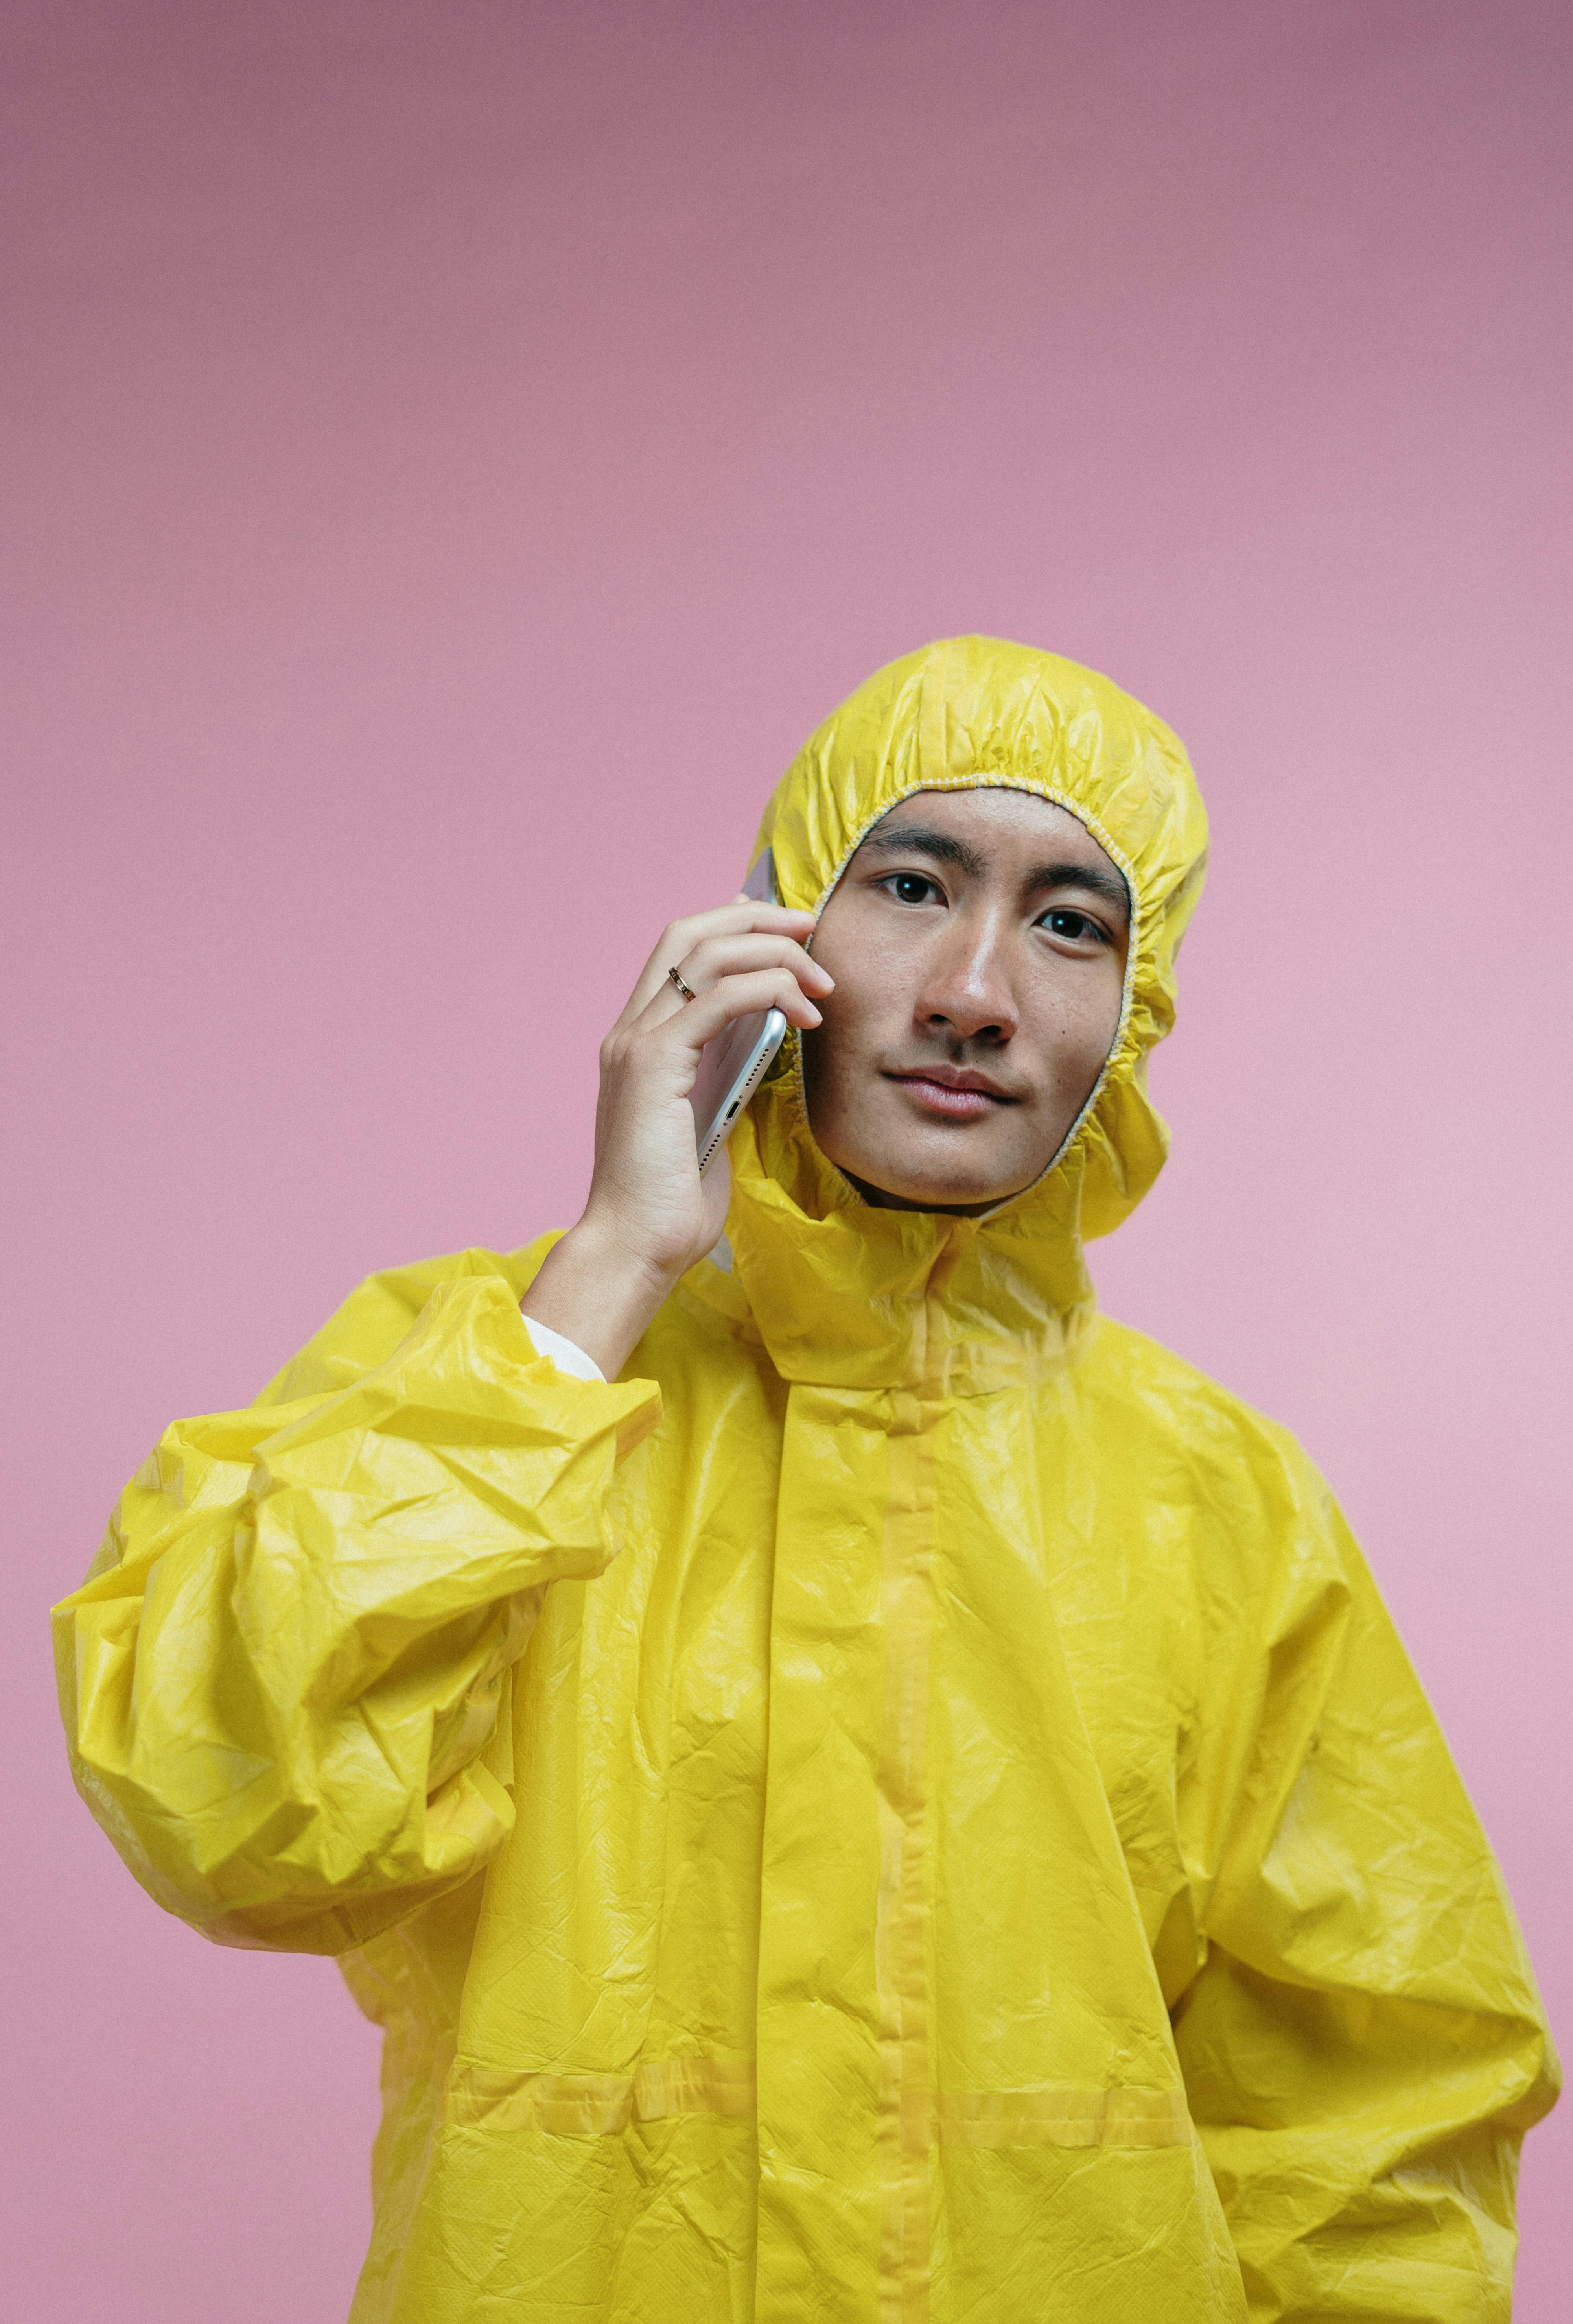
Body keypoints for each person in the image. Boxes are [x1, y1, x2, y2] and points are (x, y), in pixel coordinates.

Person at [54, 638, 1557, 2324]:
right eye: (910, 883)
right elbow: (241, 1812)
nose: (975, 990)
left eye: (1071, 922)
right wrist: (611, 1270)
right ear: (772, 934)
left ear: (1133, 1016)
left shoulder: (1219, 1506)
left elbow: (1369, 2132)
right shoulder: (495, 1366)